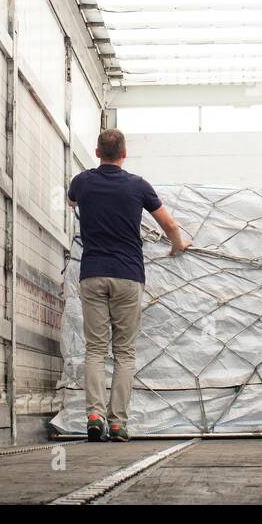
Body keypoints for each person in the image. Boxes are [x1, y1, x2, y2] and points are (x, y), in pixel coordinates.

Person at [68, 128, 190, 443]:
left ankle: (94, 415)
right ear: (124, 155)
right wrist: (177, 244)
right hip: (128, 275)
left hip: (92, 274)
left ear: (97, 153)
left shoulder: (82, 182)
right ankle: (118, 423)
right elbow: (169, 224)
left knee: (95, 349)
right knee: (124, 351)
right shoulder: (138, 186)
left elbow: (71, 203)